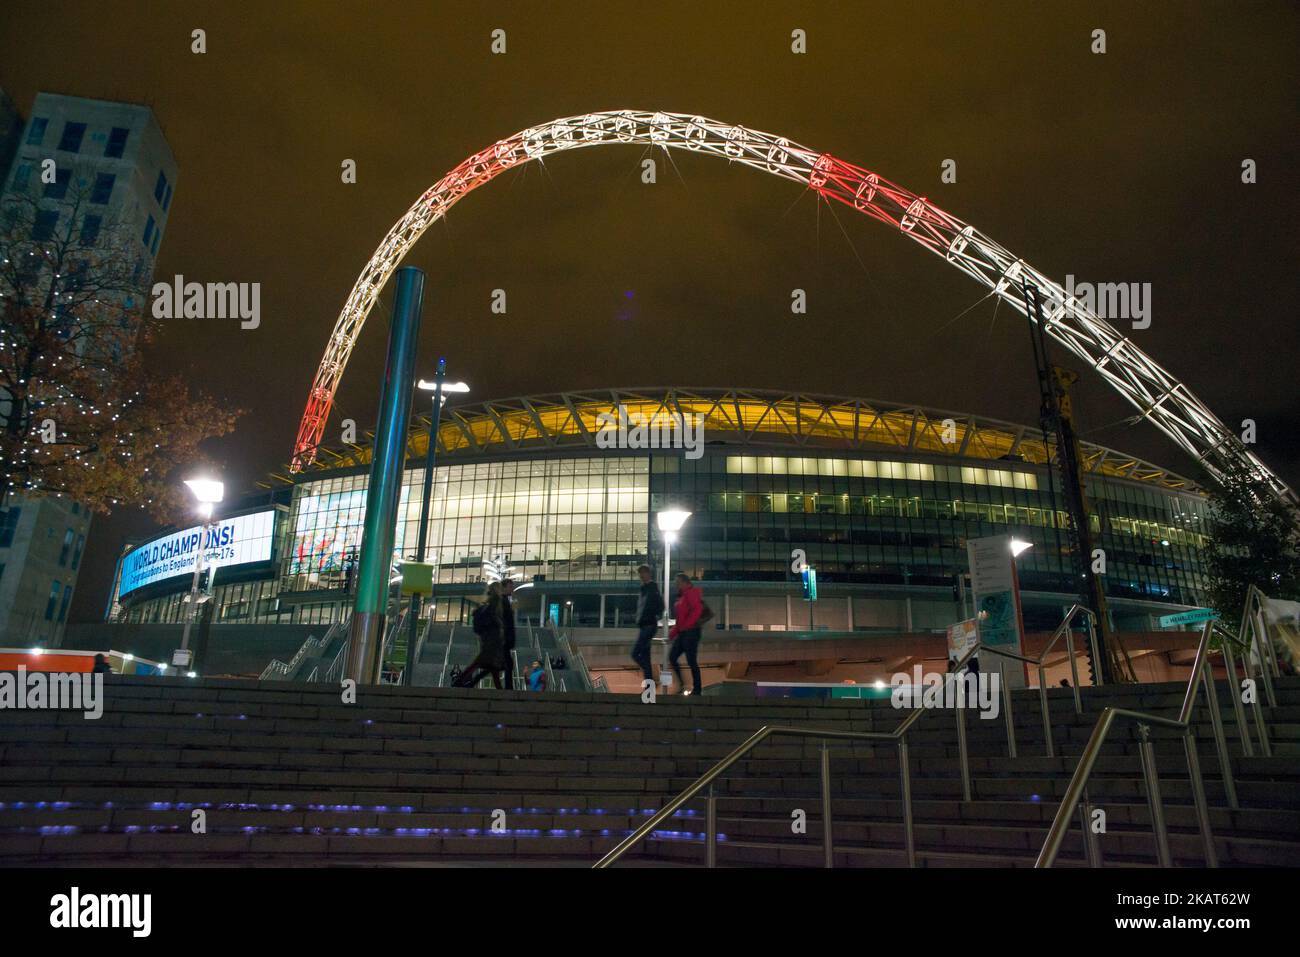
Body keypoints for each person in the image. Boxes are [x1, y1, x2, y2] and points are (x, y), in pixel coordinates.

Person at [453, 581, 512, 689]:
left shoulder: (489, 601)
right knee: (481, 662)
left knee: (493, 665)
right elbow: (495, 618)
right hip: (493, 639)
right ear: (497, 589)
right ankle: (460, 680)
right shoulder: (496, 601)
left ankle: (499, 690)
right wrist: (501, 628)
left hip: (487, 637)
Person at [668, 572, 704, 696]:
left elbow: (697, 610)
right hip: (684, 632)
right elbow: (679, 620)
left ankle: (697, 689)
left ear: (685, 582)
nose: (676, 585)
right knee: (672, 657)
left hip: (691, 632)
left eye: (678, 582)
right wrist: (671, 635)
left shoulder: (691, 593)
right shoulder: (681, 597)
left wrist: (686, 625)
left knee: (691, 660)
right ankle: (683, 685)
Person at [631, 564, 664, 685]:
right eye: (640, 573)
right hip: (644, 625)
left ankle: (650, 678)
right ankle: (649, 689)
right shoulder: (643, 588)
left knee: (635, 653)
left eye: (643, 573)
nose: (641, 576)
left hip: (649, 625)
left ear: (649, 574)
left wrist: (651, 614)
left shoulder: (652, 587)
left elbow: (660, 606)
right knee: (645, 657)